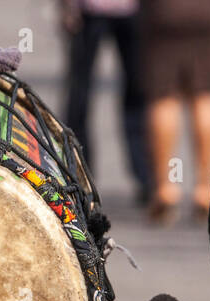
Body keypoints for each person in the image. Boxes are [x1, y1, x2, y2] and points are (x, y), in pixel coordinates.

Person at [140, 0, 210, 224]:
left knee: (164, 97)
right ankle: (204, 191)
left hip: (164, 12)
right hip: (206, 13)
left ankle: (167, 188)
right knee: (203, 95)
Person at [60, 0, 152, 203]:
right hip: (87, 11)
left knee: (139, 92)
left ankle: (147, 176)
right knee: (79, 98)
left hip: (133, 11)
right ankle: (78, 175)